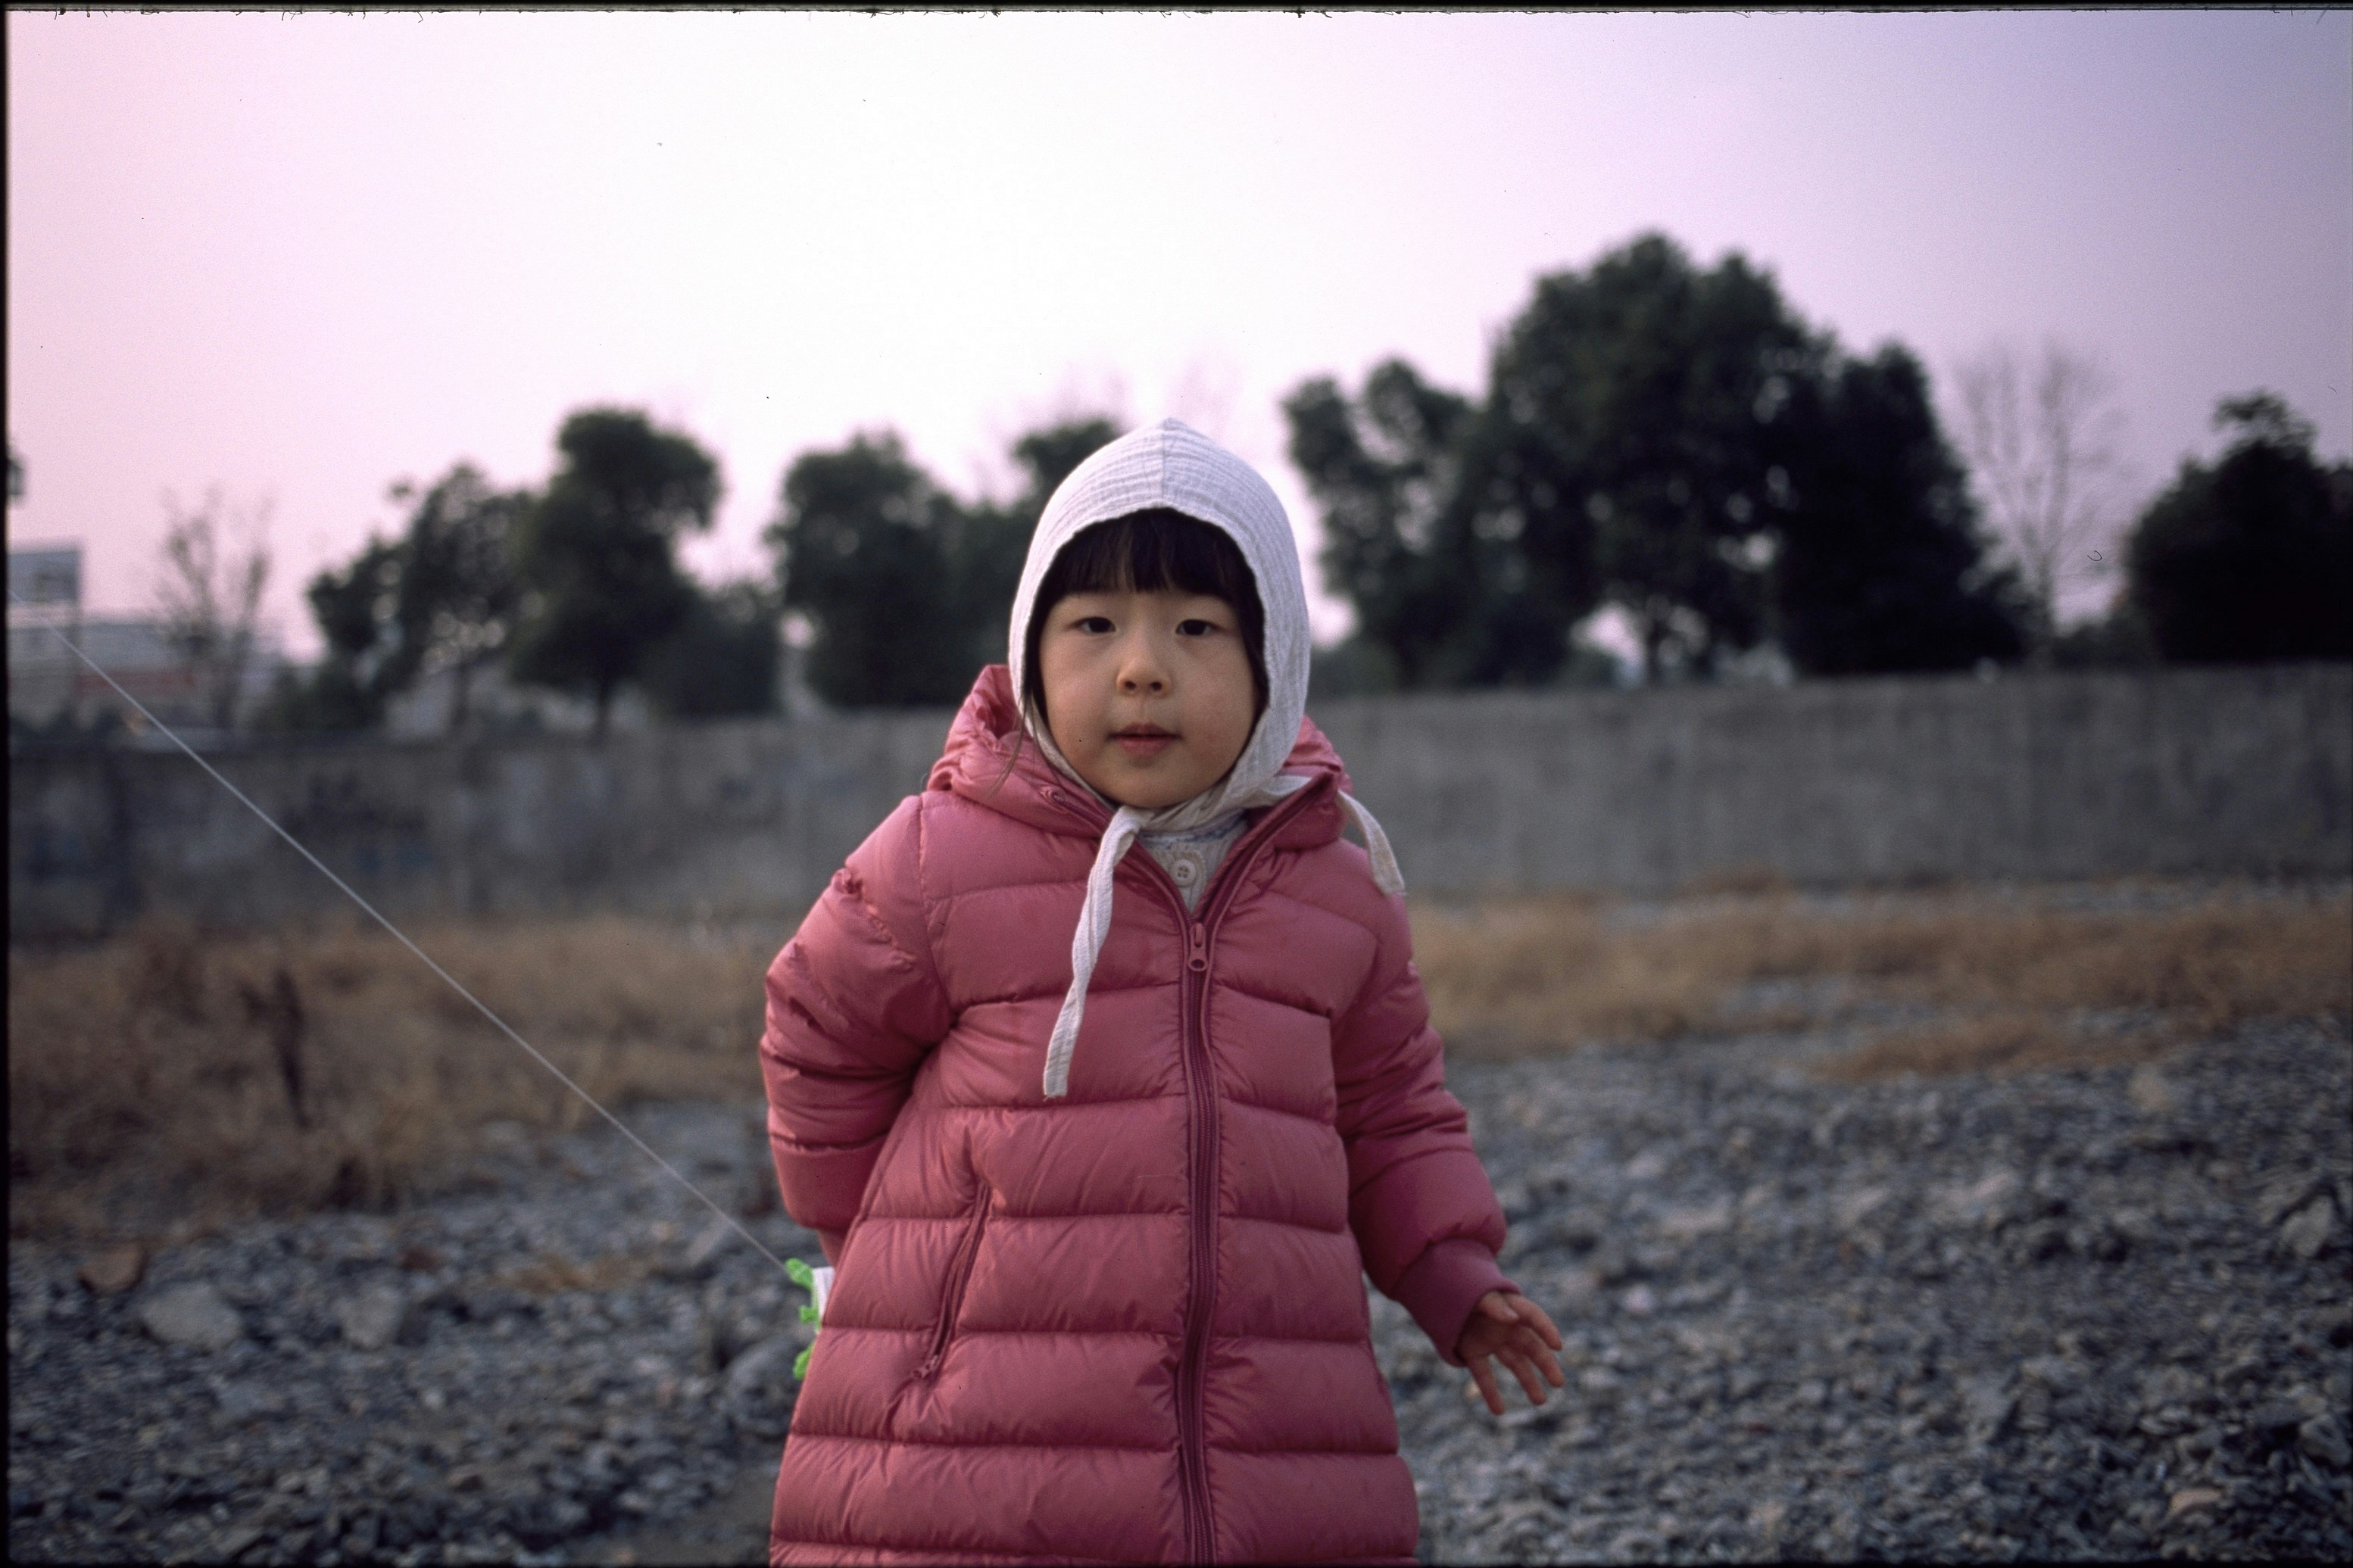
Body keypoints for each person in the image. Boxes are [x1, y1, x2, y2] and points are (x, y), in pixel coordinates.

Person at [759, 419, 1563, 1564]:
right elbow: (815, 1036)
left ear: (1274, 660)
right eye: (1094, 626)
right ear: (1033, 653)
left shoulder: (1339, 891)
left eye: (1196, 627)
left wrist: (1453, 1275)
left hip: (1276, 1454)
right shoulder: (940, 857)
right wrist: (874, 1241)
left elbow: (1395, 1115)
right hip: (966, 1470)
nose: (1142, 666)